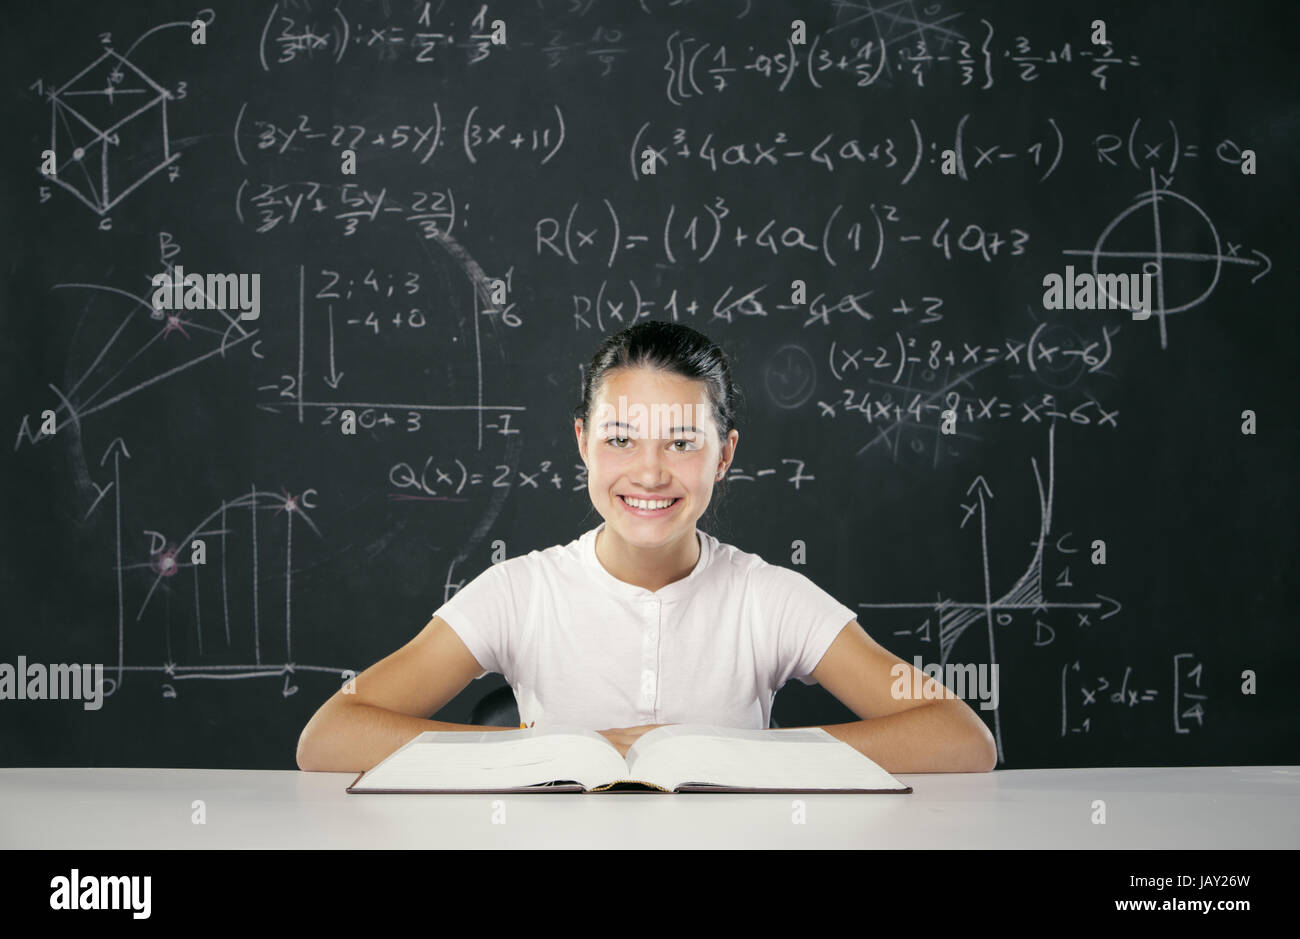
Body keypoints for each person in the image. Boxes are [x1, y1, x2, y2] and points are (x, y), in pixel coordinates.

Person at [297, 321, 996, 774]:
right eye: (621, 438)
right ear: (582, 443)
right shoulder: (521, 592)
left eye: (683, 443)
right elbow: (331, 735)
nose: (651, 473)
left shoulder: (769, 598)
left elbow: (958, 737)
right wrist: (546, 751)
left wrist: (732, 755)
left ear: (723, 456)